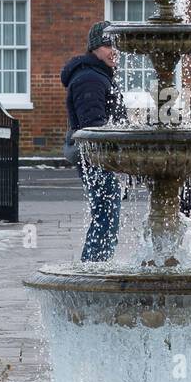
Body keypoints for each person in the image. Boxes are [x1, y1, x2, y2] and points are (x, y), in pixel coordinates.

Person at [61, 21, 127, 262]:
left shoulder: (99, 75)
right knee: (106, 219)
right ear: (94, 49)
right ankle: (93, 271)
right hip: (97, 158)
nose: (113, 51)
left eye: (116, 45)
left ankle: (95, 268)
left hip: (101, 159)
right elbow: (94, 128)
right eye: (108, 45)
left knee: (105, 218)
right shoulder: (90, 79)